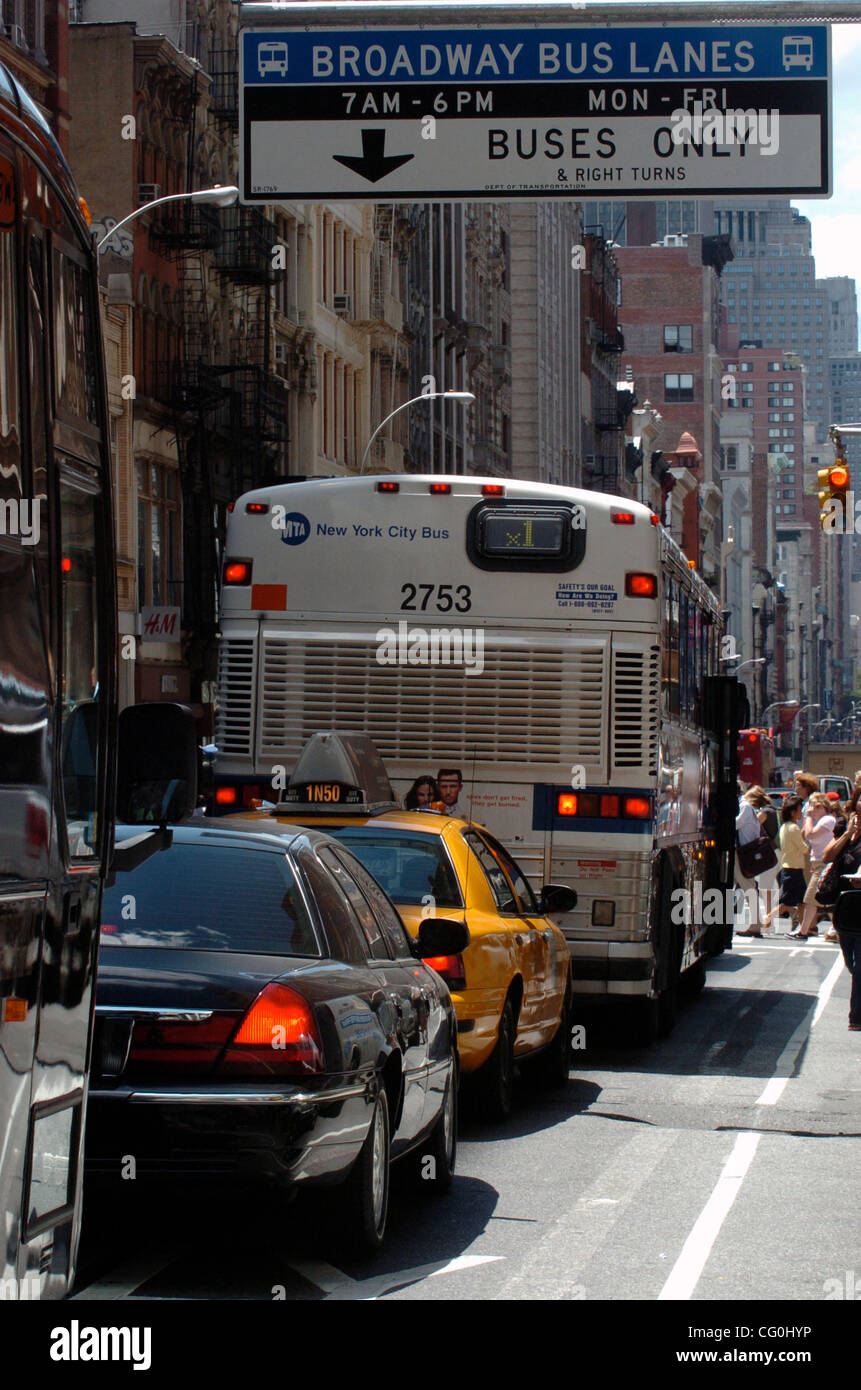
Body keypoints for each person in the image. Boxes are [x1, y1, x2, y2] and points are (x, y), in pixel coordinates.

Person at [819, 806, 861, 1027]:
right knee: (851, 964)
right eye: (858, 812)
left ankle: (856, 1018)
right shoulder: (846, 833)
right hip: (844, 909)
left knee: (860, 968)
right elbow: (827, 856)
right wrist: (847, 834)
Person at [789, 792, 837, 939]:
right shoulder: (822, 820)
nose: (811, 810)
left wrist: (808, 817)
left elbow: (811, 835)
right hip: (818, 863)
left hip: (823, 864)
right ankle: (835, 929)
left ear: (821, 806)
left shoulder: (827, 820)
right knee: (822, 900)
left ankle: (803, 931)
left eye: (814, 807)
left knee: (811, 898)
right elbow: (805, 835)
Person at [761, 796, 809, 934]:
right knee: (786, 903)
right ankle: (767, 918)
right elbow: (803, 848)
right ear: (793, 812)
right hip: (793, 869)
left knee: (801, 901)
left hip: (791, 867)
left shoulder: (784, 827)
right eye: (800, 810)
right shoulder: (793, 828)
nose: (801, 813)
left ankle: (801, 927)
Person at [736, 786, 779, 937]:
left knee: (748, 888)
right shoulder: (748, 807)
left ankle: (755, 924)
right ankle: (755, 924)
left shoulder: (745, 807)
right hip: (745, 852)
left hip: (743, 852)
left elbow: (736, 824)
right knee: (748, 887)